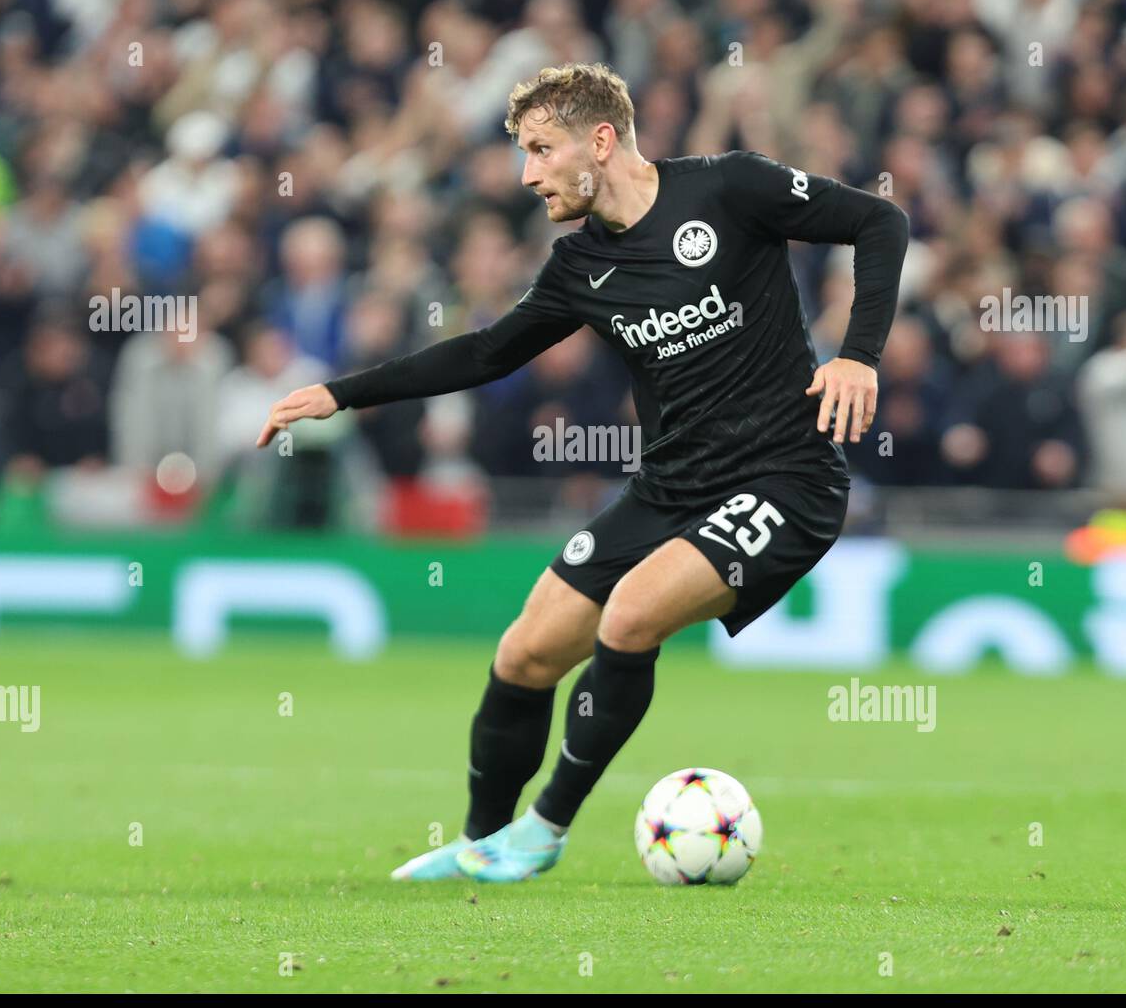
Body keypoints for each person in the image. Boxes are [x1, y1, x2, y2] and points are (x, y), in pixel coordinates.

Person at [256, 63, 909, 882]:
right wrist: (341, 393)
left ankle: (546, 826)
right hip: (670, 487)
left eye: (540, 149)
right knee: (526, 652)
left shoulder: (732, 188)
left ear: (600, 142)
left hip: (788, 479)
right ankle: (481, 843)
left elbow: (881, 221)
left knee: (630, 616)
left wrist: (859, 356)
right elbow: (487, 352)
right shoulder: (579, 268)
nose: (526, 174)